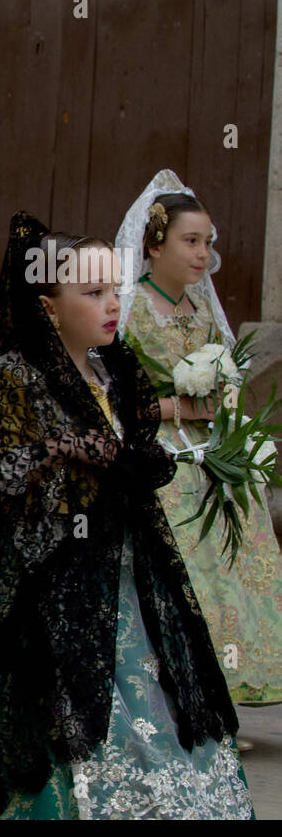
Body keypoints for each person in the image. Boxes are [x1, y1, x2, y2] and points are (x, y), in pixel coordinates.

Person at [0, 213, 251, 820]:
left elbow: (141, 450)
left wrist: (127, 459)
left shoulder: (113, 369)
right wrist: (59, 449)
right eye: (92, 293)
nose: (111, 305)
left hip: (123, 567)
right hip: (45, 574)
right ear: (48, 305)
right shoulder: (14, 375)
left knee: (155, 694)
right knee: (59, 705)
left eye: (115, 290)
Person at [116, 170, 282, 708]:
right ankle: (184, 692)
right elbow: (111, 398)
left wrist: (224, 407)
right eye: (191, 241)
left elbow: (226, 379)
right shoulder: (130, 309)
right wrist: (175, 406)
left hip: (210, 452)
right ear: (154, 243)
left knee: (240, 563)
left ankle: (230, 690)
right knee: (189, 573)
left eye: (208, 243)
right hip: (162, 456)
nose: (203, 254)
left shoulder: (204, 309)